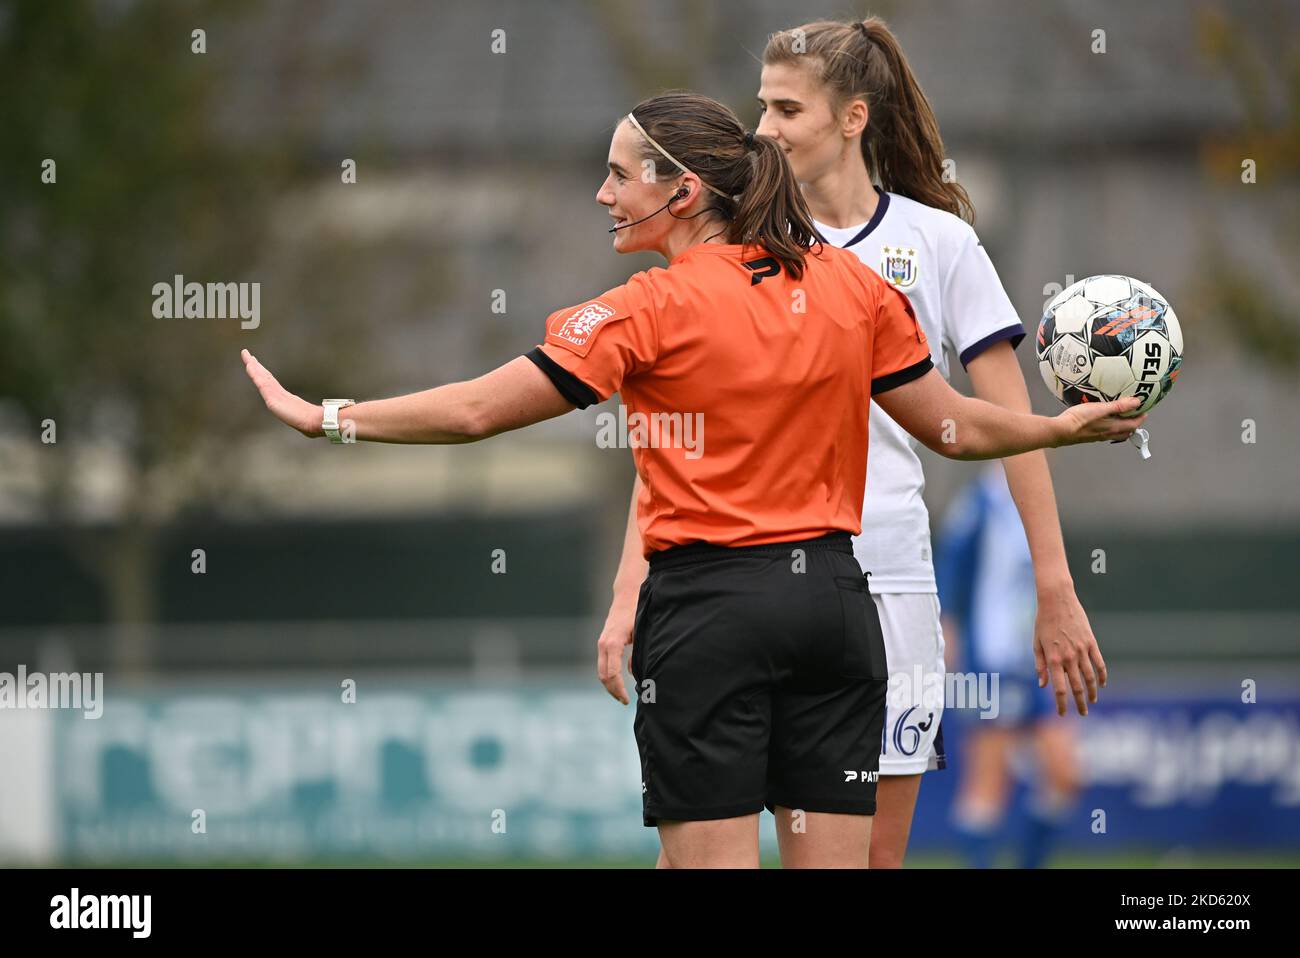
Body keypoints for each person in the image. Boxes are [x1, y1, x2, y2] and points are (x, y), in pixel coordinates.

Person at [242, 91, 1144, 868]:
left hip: (710, 613)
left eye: (618, 174)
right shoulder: (851, 288)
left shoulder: (649, 307)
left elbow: (480, 411)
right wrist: (1053, 428)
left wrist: (330, 417)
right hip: (836, 604)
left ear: (682, 190)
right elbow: (949, 425)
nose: (602, 193)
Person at [936, 467, 1081, 868]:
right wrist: (947, 635)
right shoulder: (979, 503)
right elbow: (948, 572)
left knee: (1065, 775)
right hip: (989, 662)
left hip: (1033, 660)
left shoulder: (1039, 503)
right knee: (986, 786)